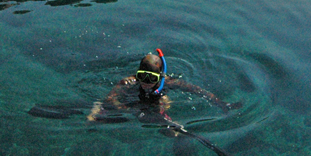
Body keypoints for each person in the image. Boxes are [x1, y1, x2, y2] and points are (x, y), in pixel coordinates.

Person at [87, 50, 240, 123]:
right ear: (137, 74)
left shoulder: (167, 82)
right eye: (142, 76)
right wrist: (128, 109)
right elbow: (110, 98)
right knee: (93, 118)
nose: (146, 81)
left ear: (160, 76)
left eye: (151, 77)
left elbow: (196, 90)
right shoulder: (129, 82)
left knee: (166, 113)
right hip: (133, 101)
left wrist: (220, 103)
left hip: (156, 99)